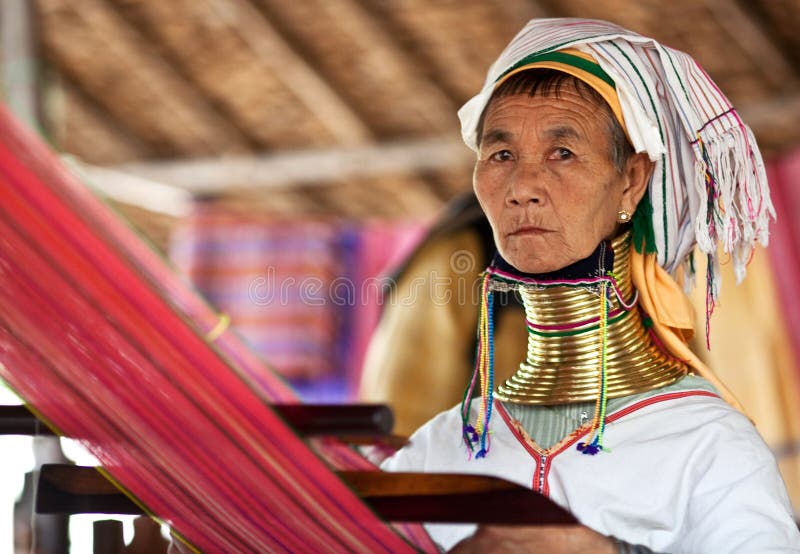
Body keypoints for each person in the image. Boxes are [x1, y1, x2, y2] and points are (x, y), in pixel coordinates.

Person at [381, 18, 800, 553]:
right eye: (501, 154)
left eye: (563, 153)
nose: (523, 186)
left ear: (631, 181)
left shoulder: (707, 445)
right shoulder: (440, 449)